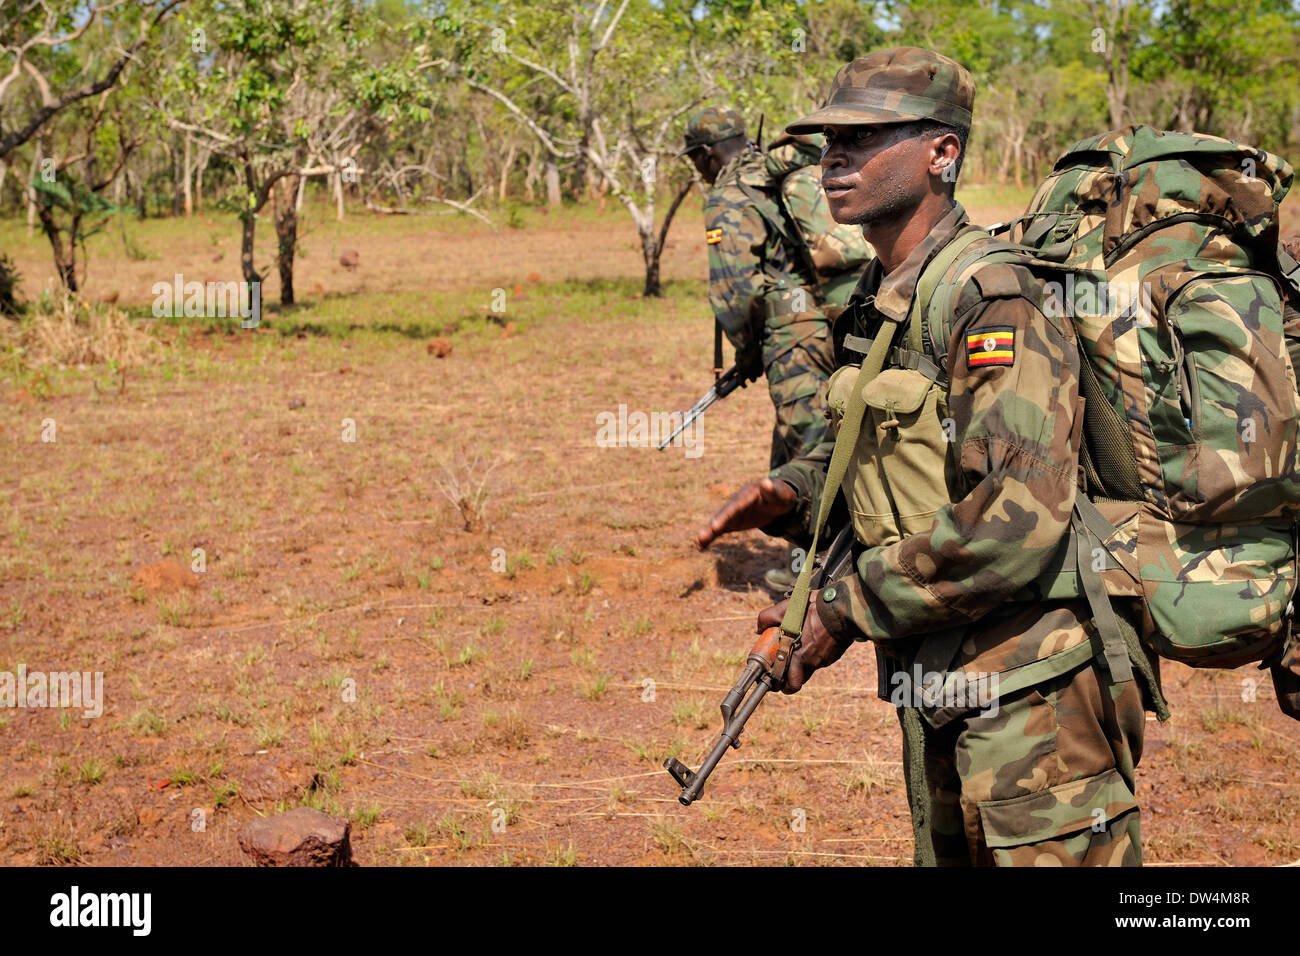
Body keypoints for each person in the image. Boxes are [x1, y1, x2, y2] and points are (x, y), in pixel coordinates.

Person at [693, 47, 1160, 866]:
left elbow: (1018, 517)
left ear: (942, 153)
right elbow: (901, 458)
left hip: (1035, 695)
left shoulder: (993, 297)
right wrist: (796, 489)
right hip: (944, 678)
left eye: (866, 136)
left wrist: (842, 611)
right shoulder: (884, 298)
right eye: (829, 141)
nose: (834, 158)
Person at [681, 106, 865, 592]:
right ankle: (803, 553)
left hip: (791, 331)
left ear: (704, 154)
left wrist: (746, 350)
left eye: (695, 160)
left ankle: (819, 565)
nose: (698, 170)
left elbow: (736, 290)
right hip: (830, 313)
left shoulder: (729, 193)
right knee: (800, 436)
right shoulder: (776, 170)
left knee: (807, 441)